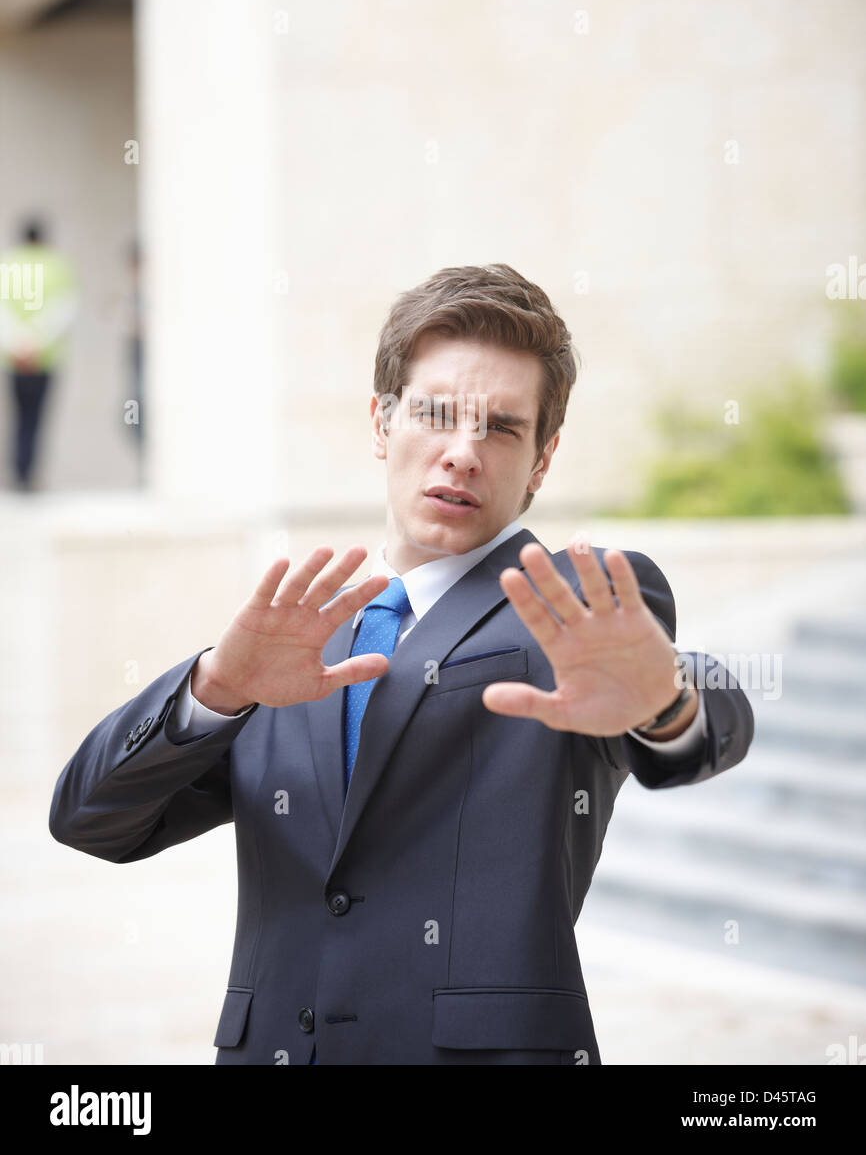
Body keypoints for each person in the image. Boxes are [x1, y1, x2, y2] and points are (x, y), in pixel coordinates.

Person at [49, 262, 753, 1065]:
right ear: (382, 425)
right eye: (437, 415)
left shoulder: (569, 612)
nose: (462, 453)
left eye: (500, 428)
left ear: (543, 460)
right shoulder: (294, 645)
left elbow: (710, 712)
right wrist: (215, 690)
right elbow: (90, 821)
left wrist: (666, 705)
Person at [0, 218, 78, 489]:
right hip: (44, 358)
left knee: (18, 416)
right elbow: (64, 309)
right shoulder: (57, 265)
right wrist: (36, 342)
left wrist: (18, 343)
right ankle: (28, 474)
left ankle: (19, 472)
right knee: (36, 417)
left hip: (14, 358)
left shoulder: (8, 264)